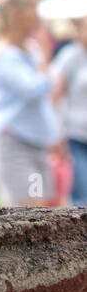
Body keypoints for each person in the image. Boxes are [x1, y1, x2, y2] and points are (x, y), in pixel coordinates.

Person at [0, 0, 62, 207]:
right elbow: (35, 88)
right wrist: (46, 58)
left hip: (35, 141)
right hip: (11, 143)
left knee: (41, 209)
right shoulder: (4, 54)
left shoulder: (30, 48)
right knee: (29, 210)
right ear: (16, 13)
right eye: (34, 8)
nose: (38, 15)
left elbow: (44, 97)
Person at [50, 16, 87, 206]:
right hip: (76, 135)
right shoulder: (70, 56)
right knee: (82, 193)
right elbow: (54, 97)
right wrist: (57, 132)